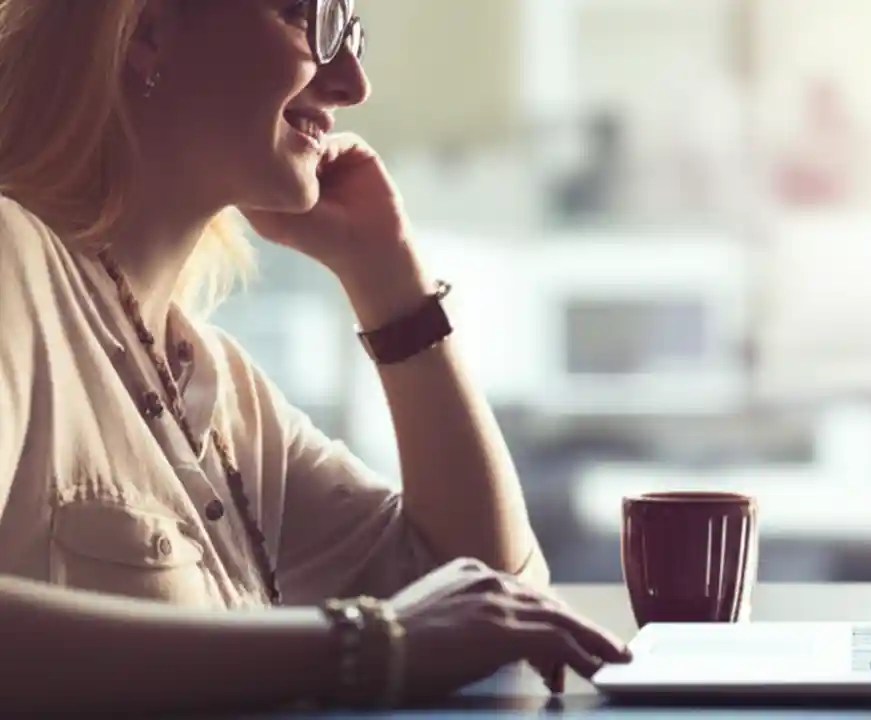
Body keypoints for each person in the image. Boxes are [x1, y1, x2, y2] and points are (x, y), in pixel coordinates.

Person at [0, 0, 629, 712]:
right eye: (310, 17)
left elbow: (499, 604)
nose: (352, 81)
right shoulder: (11, 263)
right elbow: (427, 628)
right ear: (149, 30)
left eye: (351, 33)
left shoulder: (220, 392)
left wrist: (392, 286)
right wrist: (367, 644)